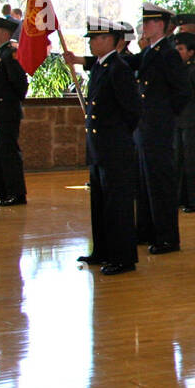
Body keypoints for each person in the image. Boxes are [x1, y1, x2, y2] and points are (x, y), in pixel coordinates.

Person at [66, 19, 140, 275]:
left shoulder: (118, 68)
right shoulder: (100, 66)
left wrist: (117, 135)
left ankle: (123, 257)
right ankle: (103, 250)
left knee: (117, 205)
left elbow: (132, 110)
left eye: (95, 38)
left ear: (109, 40)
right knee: (100, 203)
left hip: (114, 147)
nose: (91, 42)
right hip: (99, 147)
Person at [133, 2, 190, 254]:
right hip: (146, 127)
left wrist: (164, 116)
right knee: (146, 182)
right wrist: (83, 60)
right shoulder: (150, 51)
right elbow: (127, 63)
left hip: (159, 128)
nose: (144, 26)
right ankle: (147, 230)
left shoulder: (168, 54)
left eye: (149, 22)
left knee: (161, 184)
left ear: (162, 26)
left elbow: (181, 91)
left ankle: (167, 237)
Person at [0, 15, 29, 207]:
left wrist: (10, 101)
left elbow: (20, 83)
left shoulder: (10, 54)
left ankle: (16, 193)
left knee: (8, 153)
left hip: (6, 109)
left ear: (4, 33)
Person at [172, 31, 195, 214]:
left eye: (180, 49)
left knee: (193, 163)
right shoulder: (178, 70)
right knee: (179, 161)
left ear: (190, 52)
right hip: (179, 122)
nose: (177, 52)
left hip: (193, 121)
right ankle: (182, 197)